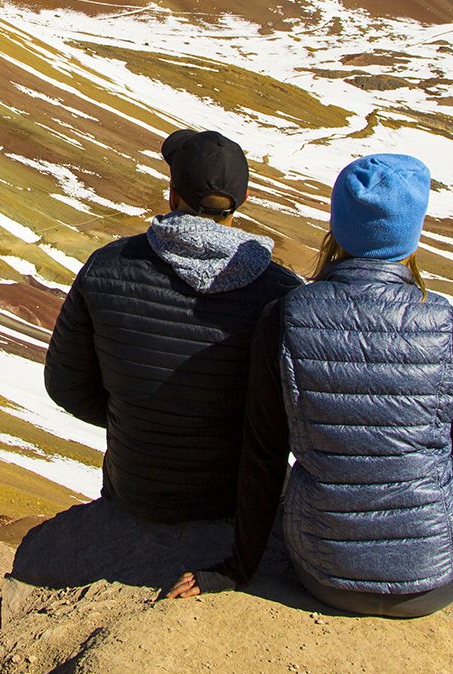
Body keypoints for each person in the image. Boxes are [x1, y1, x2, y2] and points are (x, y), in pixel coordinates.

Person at [166, 153, 453, 618]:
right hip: (437, 579)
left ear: (336, 225)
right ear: (412, 232)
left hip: (324, 573)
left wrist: (236, 569)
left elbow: (264, 457)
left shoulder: (285, 317)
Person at [44, 129, 302, 524]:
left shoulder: (108, 267)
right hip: (238, 505)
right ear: (244, 201)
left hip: (134, 492)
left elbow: (66, 385)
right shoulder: (283, 293)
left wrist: (136, 417)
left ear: (172, 193)